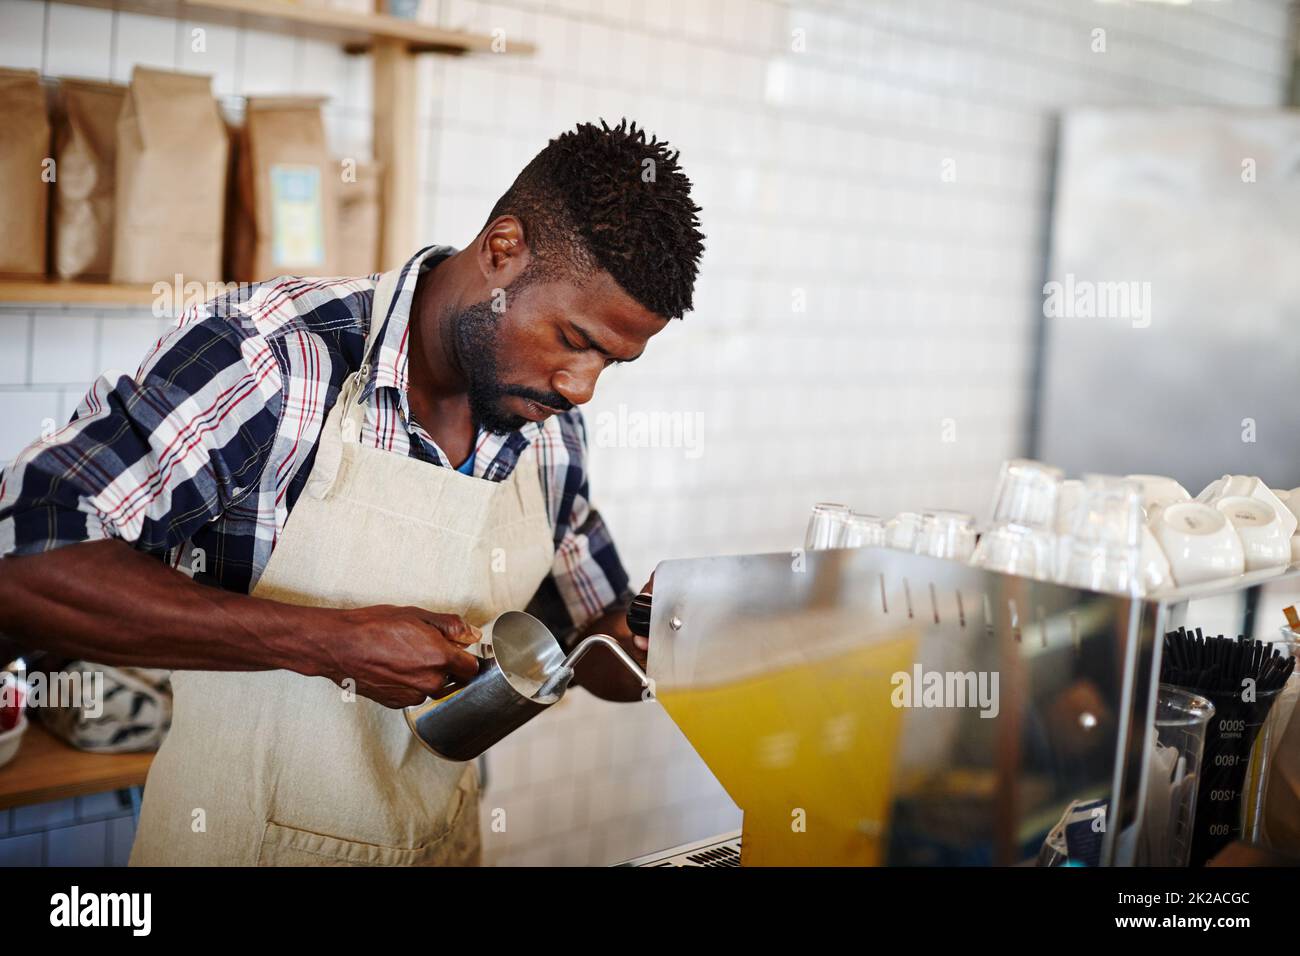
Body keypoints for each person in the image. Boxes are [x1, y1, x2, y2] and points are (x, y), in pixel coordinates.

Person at [0, 119, 705, 866]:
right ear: (503, 252)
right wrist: (328, 643)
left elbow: (589, 642)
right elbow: (27, 564)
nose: (582, 388)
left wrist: (652, 640)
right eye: (573, 339)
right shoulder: (273, 356)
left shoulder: (549, 427)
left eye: (613, 363)